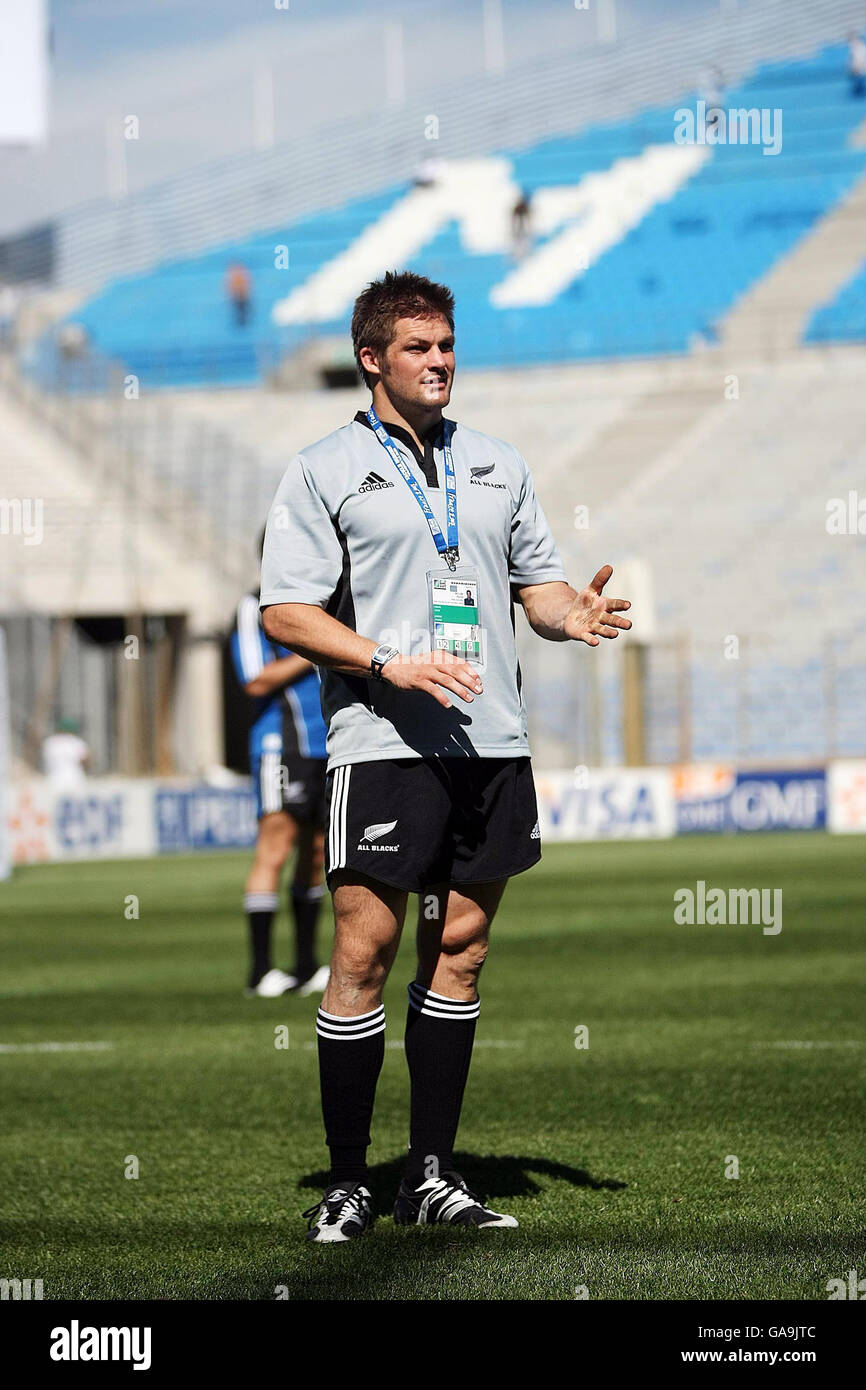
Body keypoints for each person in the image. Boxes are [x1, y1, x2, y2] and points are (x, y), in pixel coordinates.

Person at [260, 270, 631, 1242]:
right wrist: (387, 660)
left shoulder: (499, 463)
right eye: (419, 348)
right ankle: (348, 1180)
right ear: (372, 357)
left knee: (459, 953)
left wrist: (569, 614)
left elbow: (537, 588)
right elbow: (285, 610)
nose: (440, 363)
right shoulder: (321, 467)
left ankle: (431, 1174)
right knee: (362, 951)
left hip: (490, 741)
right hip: (382, 743)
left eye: (447, 345)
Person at [230, 566, 329, 998]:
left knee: (318, 851)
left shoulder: (327, 603)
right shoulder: (255, 605)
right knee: (275, 843)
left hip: (328, 743)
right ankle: (260, 970)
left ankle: (306, 966)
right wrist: (319, 646)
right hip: (280, 744)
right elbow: (256, 679)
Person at [42, 718, 89, 791]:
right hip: (75, 779)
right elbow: (85, 761)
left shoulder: (50, 742)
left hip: (54, 780)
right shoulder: (77, 742)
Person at [226, 262, 252, 327]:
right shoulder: (233, 275)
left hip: (243, 298)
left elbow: (248, 285)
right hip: (237, 298)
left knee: (244, 313)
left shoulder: (242, 275)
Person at [848, 33, 866, 97]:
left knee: (859, 84)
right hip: (857, 71)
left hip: (860, 70)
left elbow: (861, 60)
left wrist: (858, 67)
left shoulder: (861, 48)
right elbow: (852, 60)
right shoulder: (853, 48)